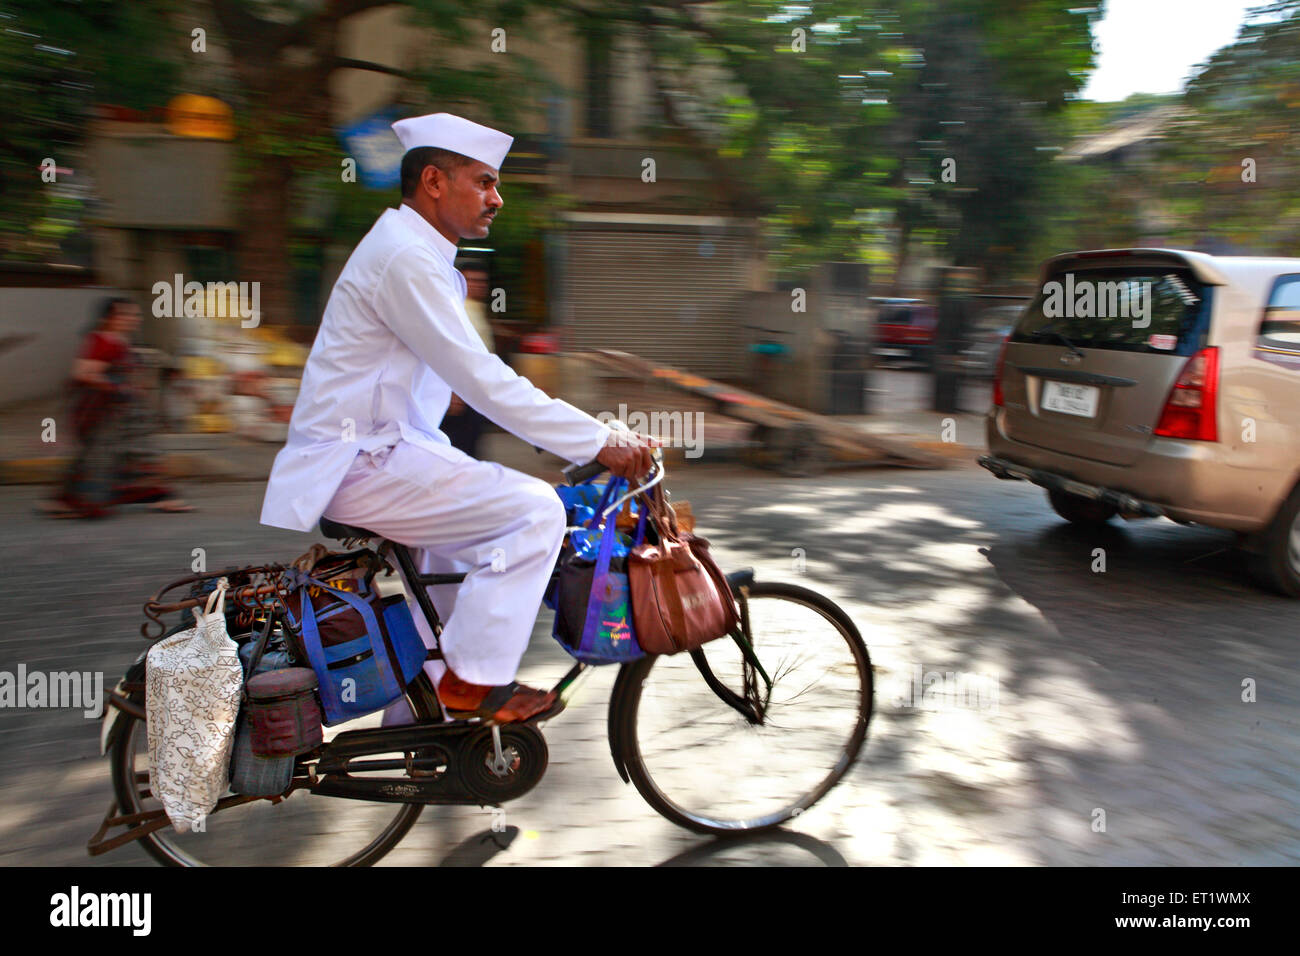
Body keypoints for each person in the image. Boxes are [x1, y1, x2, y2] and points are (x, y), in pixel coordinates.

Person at [260, 113, 655, 723]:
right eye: (484, 182)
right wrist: (600, 439)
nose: (497, 199)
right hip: (364, 462)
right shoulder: (405, 260)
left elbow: (467, 380)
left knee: (458, 588)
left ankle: (423, 737)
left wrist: (586, 437)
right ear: (435, 183)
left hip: (393, 454)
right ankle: (475, 683)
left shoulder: (422, 256)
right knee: (535, 513)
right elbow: (483, 379)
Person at [40, 297, 193, 519]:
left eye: (135, 315)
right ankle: (81, 502)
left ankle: (158, 496)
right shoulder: (104, 342)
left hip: (122, 415)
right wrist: (119, 387)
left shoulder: (116, 340)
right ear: (108, 318)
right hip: (104, 413)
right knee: (101, 458)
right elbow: (83, 374)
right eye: (125, 315)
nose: (133, 319)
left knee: (119, 456)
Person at [439, 264, 493, 457]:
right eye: (472, 280)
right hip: (462, 391)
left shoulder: (477, 309)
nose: (478, 285)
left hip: (475, 390)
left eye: (482, 281)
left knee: (472, 440)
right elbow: (451, 350)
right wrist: (454, 391)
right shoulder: (458, 308)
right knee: (461, 444)